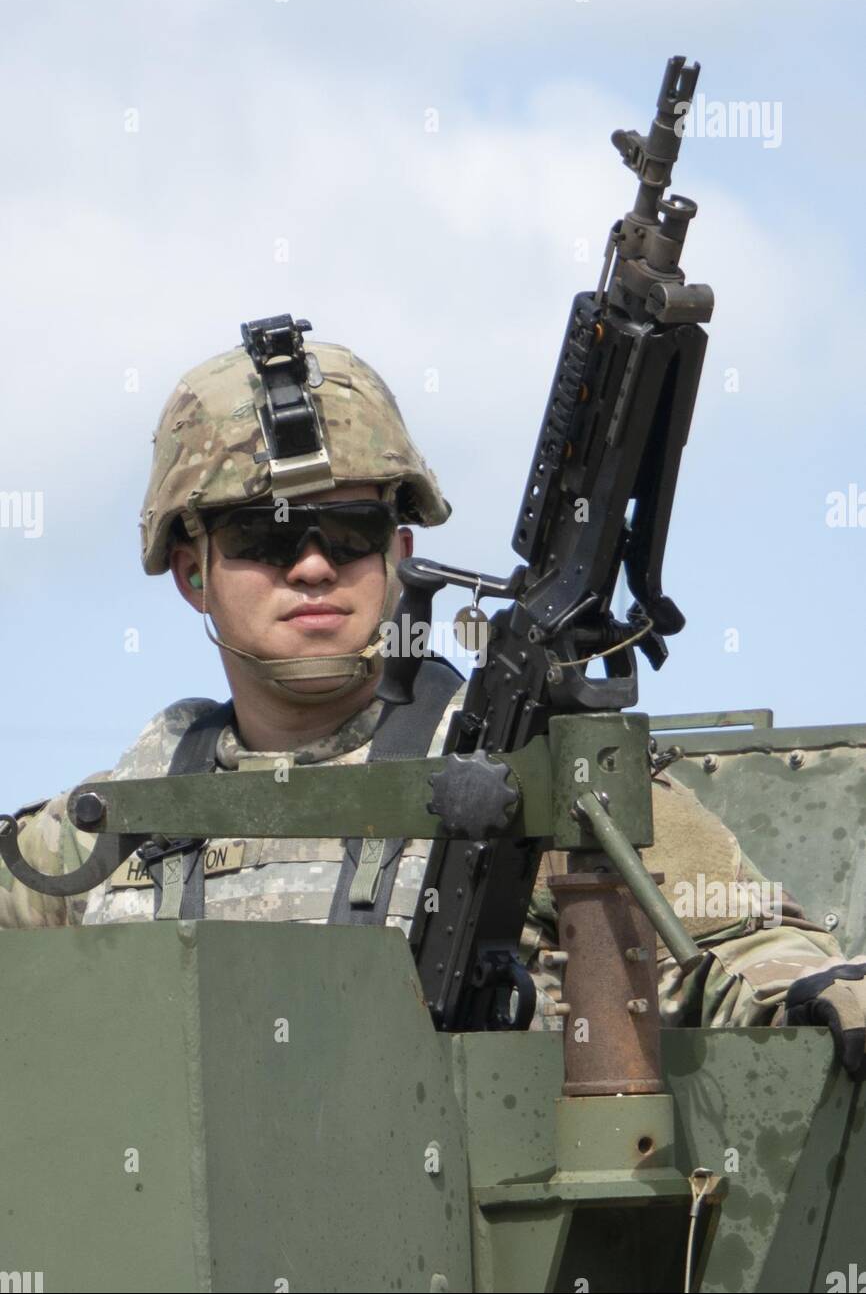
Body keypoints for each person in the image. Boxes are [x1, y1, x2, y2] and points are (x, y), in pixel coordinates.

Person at [1, 328, 864, 1073]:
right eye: (264, 537)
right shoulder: (107, 826)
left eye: (349, 533)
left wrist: (820, 994)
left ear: (401, 554)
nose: (312, 567)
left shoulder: (525, 772)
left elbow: (746, 950)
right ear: (194, 572)